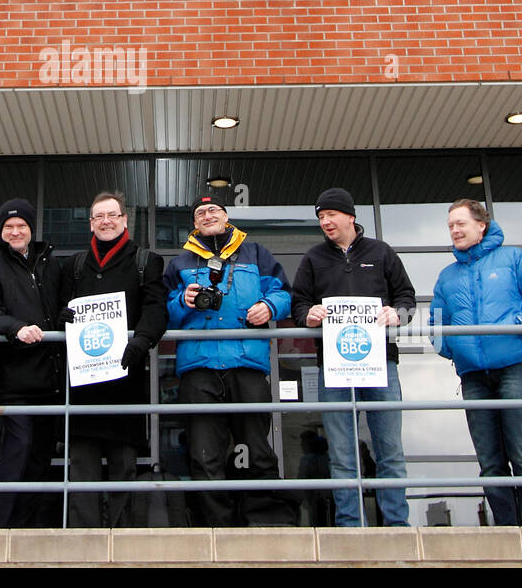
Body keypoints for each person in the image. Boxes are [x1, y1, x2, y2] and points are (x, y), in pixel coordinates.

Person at [163, 192, 298, 527]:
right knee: (203, 454)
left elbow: (284, 292)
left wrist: (269, 307)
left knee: (257, 448)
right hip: (199, 369)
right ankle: (215, 528)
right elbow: (162, 311)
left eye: (213, 210)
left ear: (226, 215)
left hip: (246, 365)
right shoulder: (180, 262)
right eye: (200, 213)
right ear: (194, 223)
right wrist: (184, 300)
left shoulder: (255, 253)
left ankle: (266, 523)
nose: (207, 216)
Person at [430, 199, 522, 526]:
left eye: (460, 223)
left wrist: (518, 328)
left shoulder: (514, 258)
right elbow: (435, 323)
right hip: (473, 375)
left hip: (516, 367)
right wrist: (454, 349)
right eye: (450, 226)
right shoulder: (447, 276)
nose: (455, 230)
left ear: (481, 225)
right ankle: (508, 531)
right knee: (490, 461)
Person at [291, 187, 416, 527]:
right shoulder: (313, 258)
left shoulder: (382, 252)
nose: (325, 222)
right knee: (342, 453)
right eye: (320, 217)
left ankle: (397, 524)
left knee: (389, 448)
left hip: (381, 364)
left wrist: (397, 315)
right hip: (334, 366)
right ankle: (350, 525)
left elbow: (407, 297)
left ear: (350, 216)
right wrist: (308, 314)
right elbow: (298, 302)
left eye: (331, 214)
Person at [58, 191, 167, 527]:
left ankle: (122, 540)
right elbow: (57, 310)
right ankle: (83, 541)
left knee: (124, 467)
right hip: (83, 384)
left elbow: (155, 308)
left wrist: (143, 340)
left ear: (124, 220)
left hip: (125, 378)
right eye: (98, 216)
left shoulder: (145, 261)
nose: (105, 222)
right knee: (82, 468)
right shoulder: (73, 265)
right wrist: (63, 316)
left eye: (112, 215)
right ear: (91, 223)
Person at [0, 198, 64, 528]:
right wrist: (16, 328)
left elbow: (62, 306)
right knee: (18, 448)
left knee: (40, 456)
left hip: (51, 378)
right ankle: (0, 528)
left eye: (21, 225)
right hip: (14, 377)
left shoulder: (50, 262)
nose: (15, 231)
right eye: (8, 227)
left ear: (31, 228)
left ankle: (23, 529)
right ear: (1, 231)